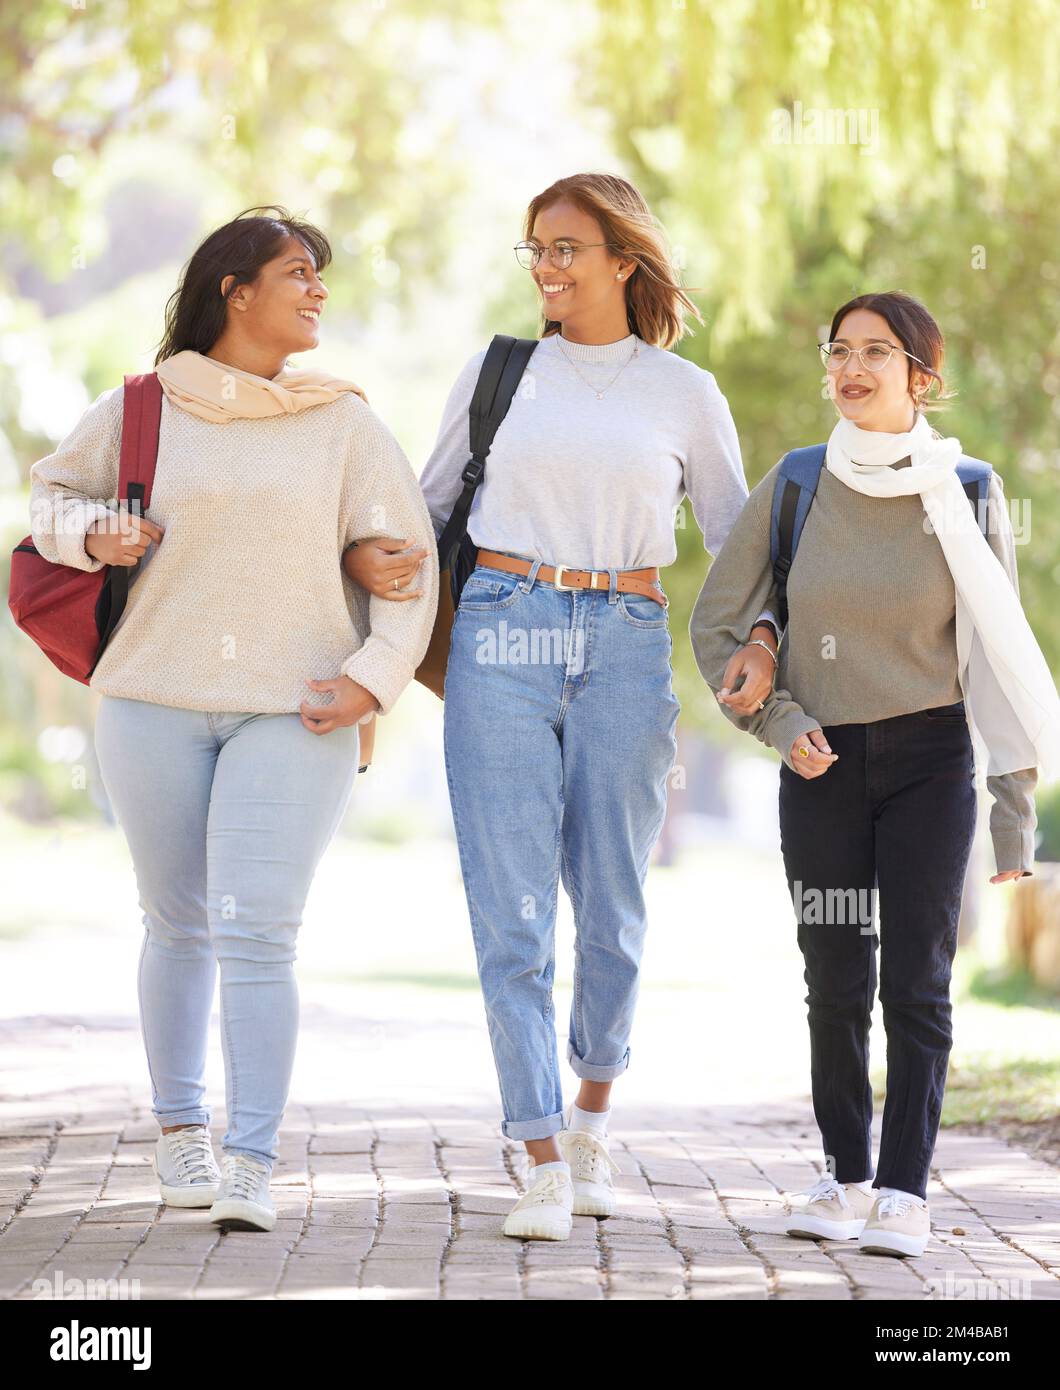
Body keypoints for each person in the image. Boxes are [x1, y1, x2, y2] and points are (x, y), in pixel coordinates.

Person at [346, 172, 778, 1240]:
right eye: (533, 247)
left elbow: (734, 541)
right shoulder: (501, 371)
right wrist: (367, 566)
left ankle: (590, 1116)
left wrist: (765, 634)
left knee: (615, 908)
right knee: (511, 911)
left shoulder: (684, 390)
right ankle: (538, 1153)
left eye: (567, 248)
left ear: (625, 261)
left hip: (625, 639)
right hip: (499, 624)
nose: (544, 266)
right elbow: (425, 504)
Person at [28, 206, 438, 1232]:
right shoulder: (141, 405)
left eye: (321, 275)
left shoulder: (342, 420)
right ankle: (180, 1136)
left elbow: (405, 562)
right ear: (234, 289)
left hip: (295, 708)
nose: (318, 292)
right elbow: (47, 503)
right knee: (178, 922)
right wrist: (96, 536)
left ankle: (250, 1155)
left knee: (260, 930)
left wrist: (375, 676)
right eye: (298, 271)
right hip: (149, 700)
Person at [689, 290, 1059, 1258]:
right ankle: (844, 1176)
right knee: (835, 977)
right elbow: (720, 622)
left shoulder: (969, 488)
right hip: (822, 760)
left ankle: (904, 1192)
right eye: (839, 350)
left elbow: (997, 654)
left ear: (920, 379)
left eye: (877, 353)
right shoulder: (799, 482)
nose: (851, 369)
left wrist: (1012, 815)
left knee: (918, 984)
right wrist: (780, 718)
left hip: (931, 760)